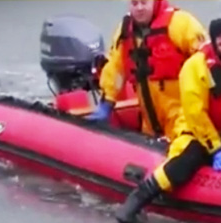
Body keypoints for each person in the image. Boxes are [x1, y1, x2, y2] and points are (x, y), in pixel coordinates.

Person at [115, 18, 221, 223]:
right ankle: (137, 199)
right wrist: (216, 147)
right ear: (213, 43)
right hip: (198, 132)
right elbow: (196, 113)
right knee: (186, 162)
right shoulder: (195, 67)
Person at [88, 0, 207, 140]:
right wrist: (107, 102)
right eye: (134, 3)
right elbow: (116, 70)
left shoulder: (181, 23)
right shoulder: (125, 32)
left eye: (144, 3)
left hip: (182, 116)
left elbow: (206, 61)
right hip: (149, 122)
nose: (139, 8)